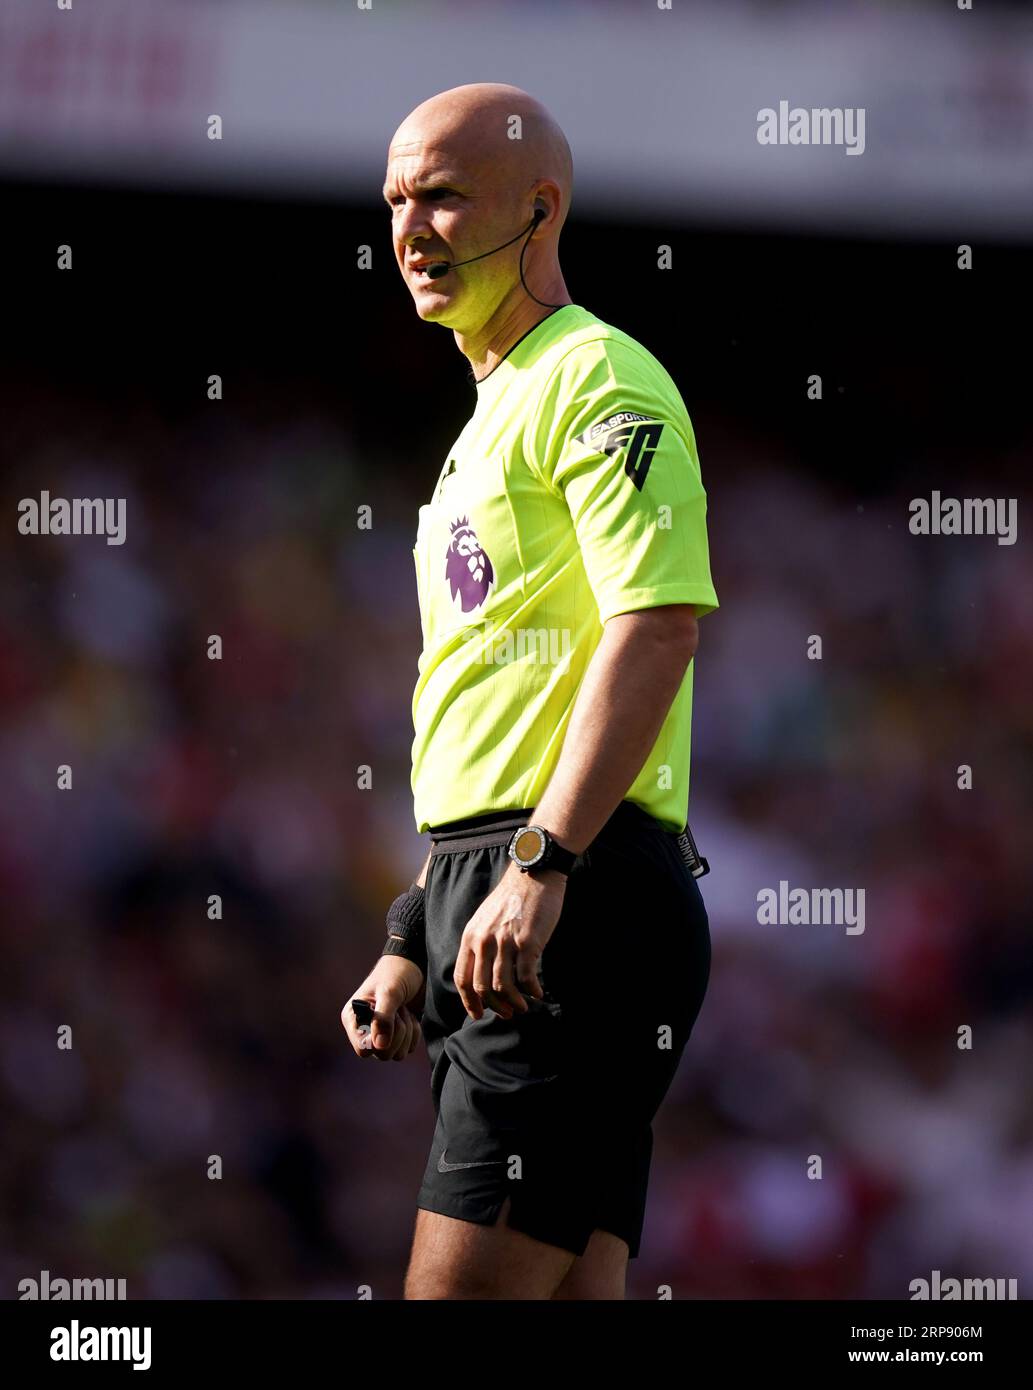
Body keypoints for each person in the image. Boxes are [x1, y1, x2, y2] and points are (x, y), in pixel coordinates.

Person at [341, 82, 719, 1300]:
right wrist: (417, 931)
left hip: (577, 895)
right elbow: (492, 716)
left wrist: (542, 865)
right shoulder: (485, 413)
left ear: (539, 207)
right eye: (396, 199)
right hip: (505, 886)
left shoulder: (599, 377)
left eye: (444, 196)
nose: (410, 228)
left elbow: (656, 629)